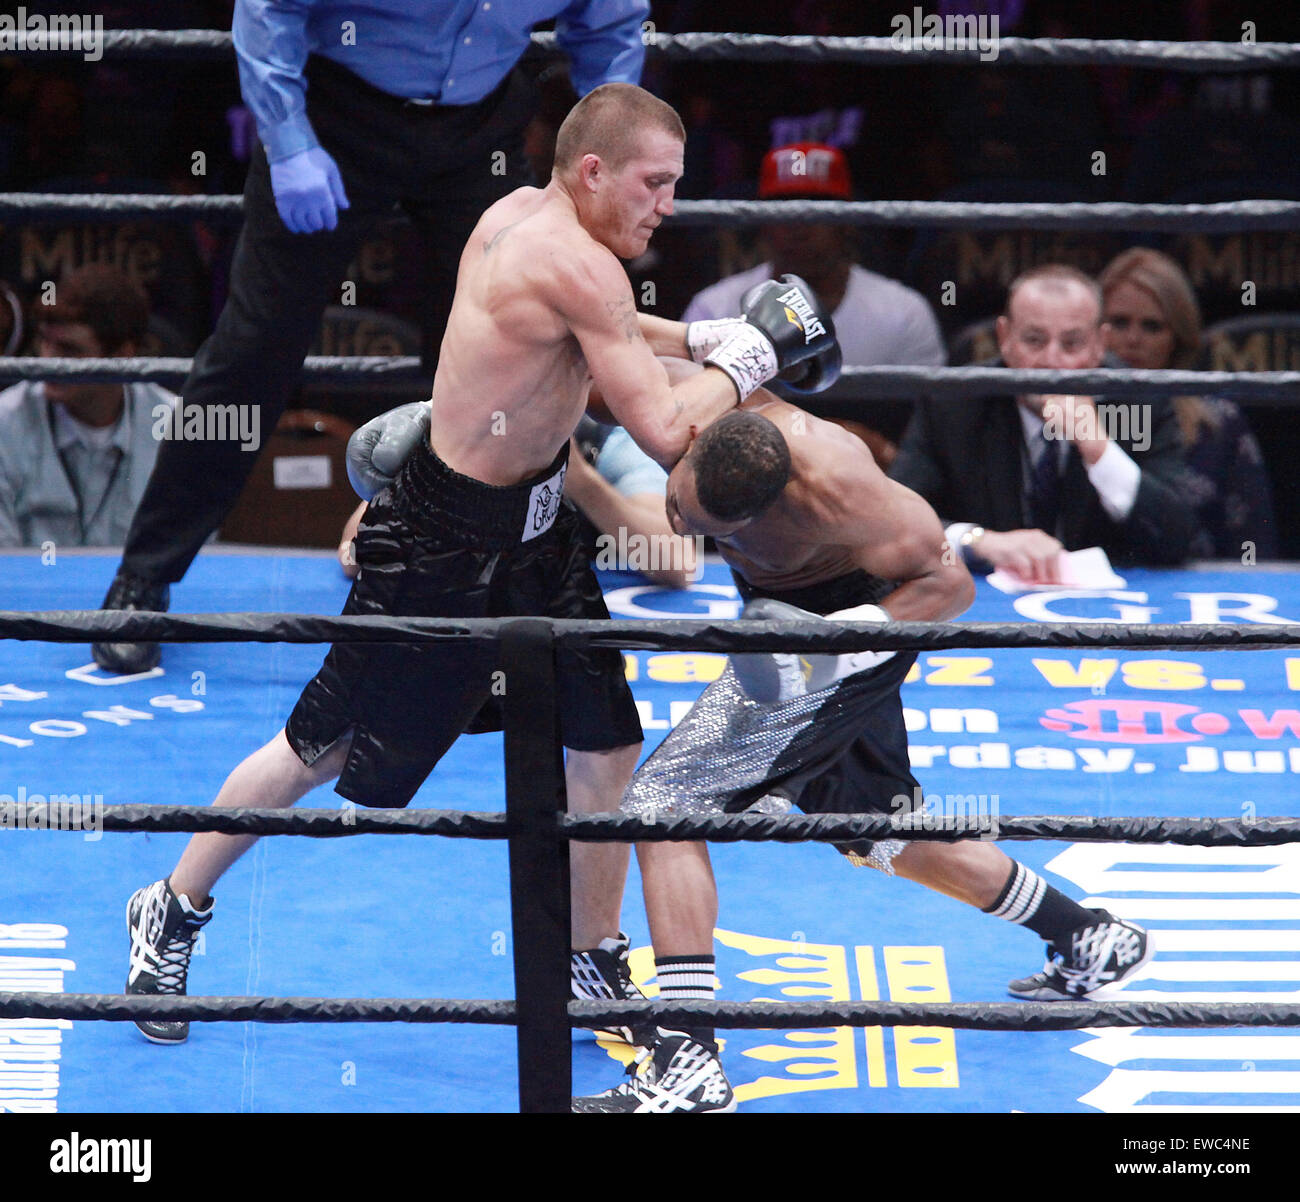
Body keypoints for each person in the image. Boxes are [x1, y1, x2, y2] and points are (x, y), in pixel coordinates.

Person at [122, 82, 841, 1046]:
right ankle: (172, 904)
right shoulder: (575, 264)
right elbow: (671, 431)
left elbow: (617, 335)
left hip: (538, 534)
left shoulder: (519, 214)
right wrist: (759, 353)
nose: (668, 205)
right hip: (441, 547)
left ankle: (590, 954)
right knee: (323, 747)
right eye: (654, 183)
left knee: (605, 743)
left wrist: (713, 338)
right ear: (595, 172)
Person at [573, 360, 1152, 1114]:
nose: (678, 526)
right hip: (789, 621)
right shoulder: (671, 405)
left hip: (846, 631)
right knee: (875, 827)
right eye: (680, 505)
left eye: (706, 526)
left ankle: (690, 1060)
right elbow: (602, 336)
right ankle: (1084, 935)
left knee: (662, 805)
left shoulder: (833, 476)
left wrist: (829, 652)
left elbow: (950, 585)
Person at [92, 0, 653, 676]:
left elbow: (610, 28)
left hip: (482, 122)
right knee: (253, 348)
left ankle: (499, 584)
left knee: (521, 344)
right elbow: (271, 8)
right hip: (336, 112)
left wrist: (606, 161)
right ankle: (143, 579)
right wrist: (291, 141)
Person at [890, 263, 1198, 582]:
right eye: (1035, 340)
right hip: (985, 608)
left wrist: (1100, 450)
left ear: (1099, 345)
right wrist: (978, 542)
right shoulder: (953, 404)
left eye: (1072, 343)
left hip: (1106, 615)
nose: (1052, 361)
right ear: (1005, 338)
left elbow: (1179, 536)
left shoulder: (1138, 401)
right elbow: (896, 520)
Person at [681, 142, 946, 449]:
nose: (799, 226)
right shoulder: (713, 309)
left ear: (846, 221)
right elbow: (687, 417)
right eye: (784, 208)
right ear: (762, 222)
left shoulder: (905, 314)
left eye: (815, 206)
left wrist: (882, 452)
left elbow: (931, 436)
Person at [338, 411, 698, 589]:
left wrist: (578, 480)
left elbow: (678, 564)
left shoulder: (612, 441)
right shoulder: (457, 431)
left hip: (568, 610)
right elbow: (355, 554)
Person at [1098, 247, 1278, 560]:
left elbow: (1254, 547)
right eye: (1119, 322)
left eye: (1152, 326)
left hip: (1198, 595)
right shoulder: (1069, 415)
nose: (1133, 339)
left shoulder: (1218, 423)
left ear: (1177, 336)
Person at [0, 265, 177, 550]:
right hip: (34, 592)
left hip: (136, 594)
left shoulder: (175, 426)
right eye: (44, 342)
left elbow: (188, 555)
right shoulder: (5, 424)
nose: (48, 362)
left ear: (121, 356)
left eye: (69, 350)